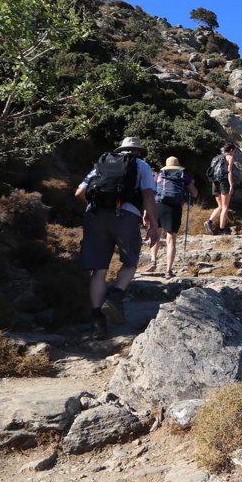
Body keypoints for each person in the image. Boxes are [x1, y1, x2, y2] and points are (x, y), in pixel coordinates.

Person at [75, 137, 160, 340]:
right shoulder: (141, 165)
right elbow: (148, 194)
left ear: (120, 149)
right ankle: (115, 297)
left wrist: (97, 205)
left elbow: (79, 192)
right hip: (126, 215)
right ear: (138, 151)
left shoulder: (101, 164)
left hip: (94, 216)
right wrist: (154, 225)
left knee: (99, 270)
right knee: (130, 261)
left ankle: (98, 323)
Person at [146, 156, 199, 278]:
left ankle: (153, 260)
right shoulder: (182, 176)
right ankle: (168, 271)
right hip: (174, 208)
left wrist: (146, 211)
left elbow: (151, 192)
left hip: (158, 206)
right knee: (171, 241)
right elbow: (195, 194)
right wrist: (191, 184)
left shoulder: (159, 176)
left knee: (156, 236)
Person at [205, 142, 235, 235]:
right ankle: (222, 230)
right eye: (234, 151)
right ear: (231, 150)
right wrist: (231, 185)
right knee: (225, 207)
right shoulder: (230, 157)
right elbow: (229, 172)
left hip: (214, 182)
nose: (234, 153)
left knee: (220, 206)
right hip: (224, 182)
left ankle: (209, 221)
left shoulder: (216, 158)